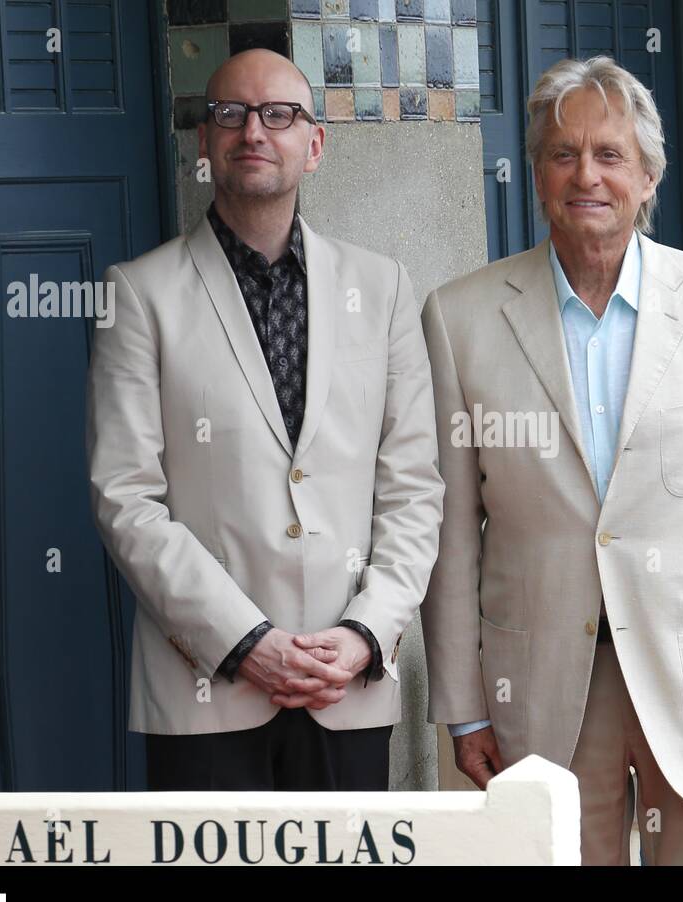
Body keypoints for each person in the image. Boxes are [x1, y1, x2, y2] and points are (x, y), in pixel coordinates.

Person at [420, 56, 683, 864]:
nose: (586, 175)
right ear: (536, 175)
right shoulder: (460, 317)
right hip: (539, 687)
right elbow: (450, 532)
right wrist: (463, 706)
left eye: (610, 155)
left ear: (647, 179)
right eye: (564, 154)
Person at [86, 49, 443, 791]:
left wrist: (364, 633)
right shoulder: (139, 295)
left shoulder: (382, 290)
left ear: (314, 145)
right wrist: (245, 642)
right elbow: (126, 499)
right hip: (206, 693)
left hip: (345, 688)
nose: (254, 131)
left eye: (278, 114)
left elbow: (412, 487)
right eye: (231, 114)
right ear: (205, 141)